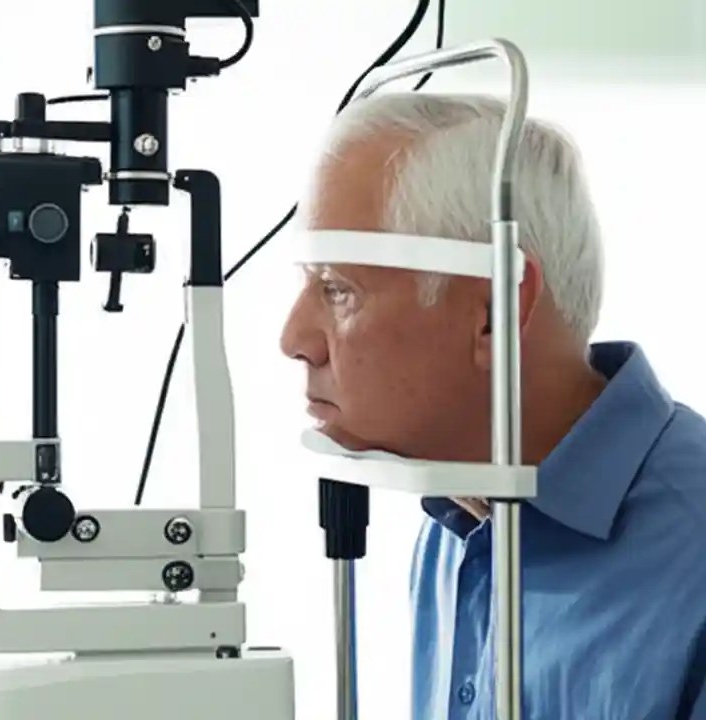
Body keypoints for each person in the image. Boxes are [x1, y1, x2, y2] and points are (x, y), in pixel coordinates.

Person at [280, 92, 706, 719]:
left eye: (339, 290)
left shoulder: (692, 559)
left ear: (494, 311)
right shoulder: (456, 526)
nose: (293, 339)